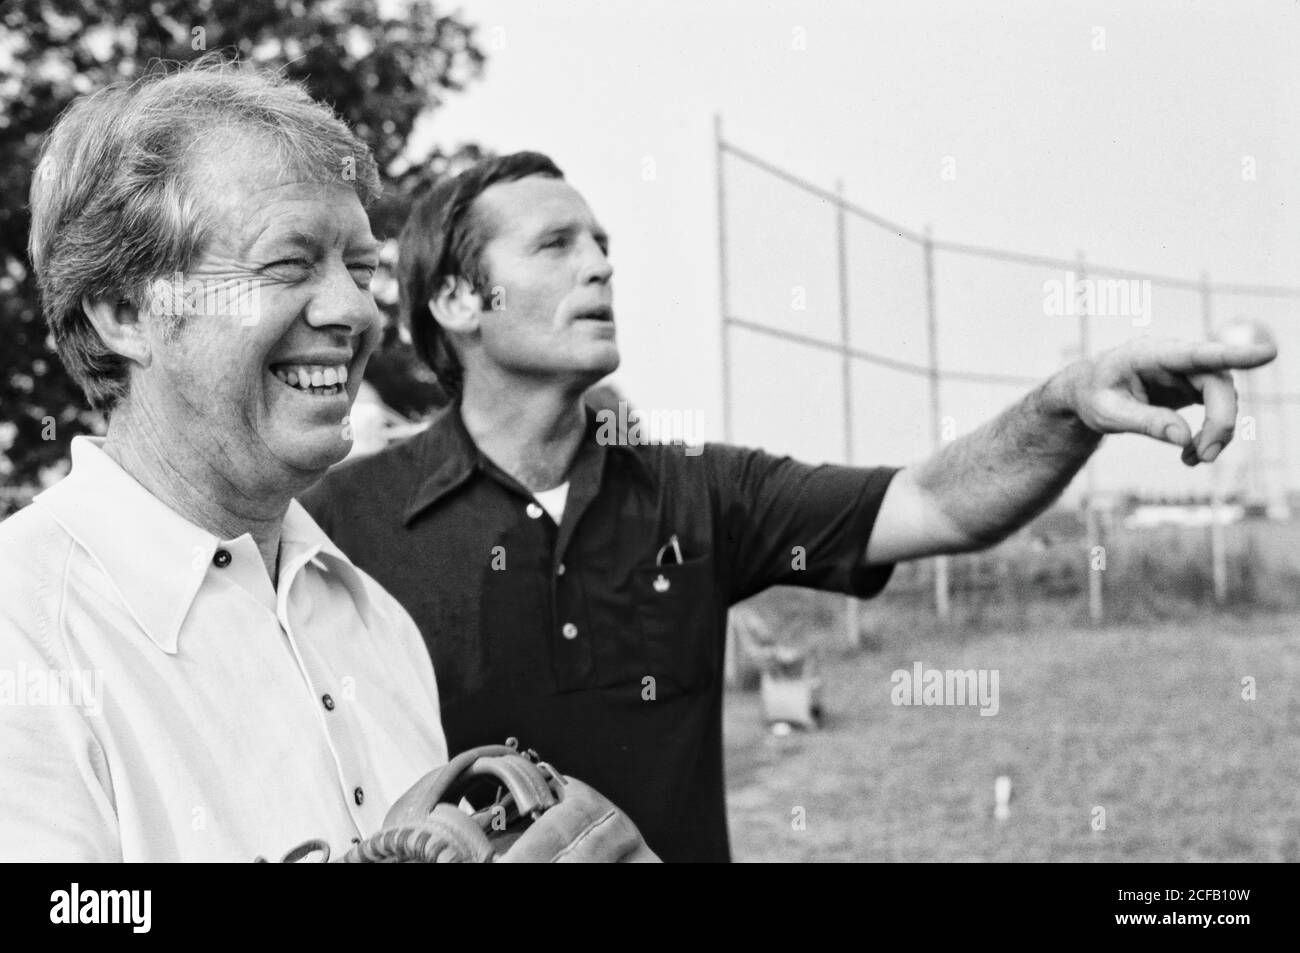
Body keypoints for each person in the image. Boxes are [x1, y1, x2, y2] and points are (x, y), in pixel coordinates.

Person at [300, 152, 1276, 862]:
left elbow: (934, 504)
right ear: (459, 301)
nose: (600, 263)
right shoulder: (340, 521)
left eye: (603, 243)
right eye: (557, 244)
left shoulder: (700, 489)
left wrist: (1066, 404)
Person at [0, 61, 448, 861]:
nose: (354, 309)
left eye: (363, 268)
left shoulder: (380, 622)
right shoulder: (20, 631)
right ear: (127, 312)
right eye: (288, 264)